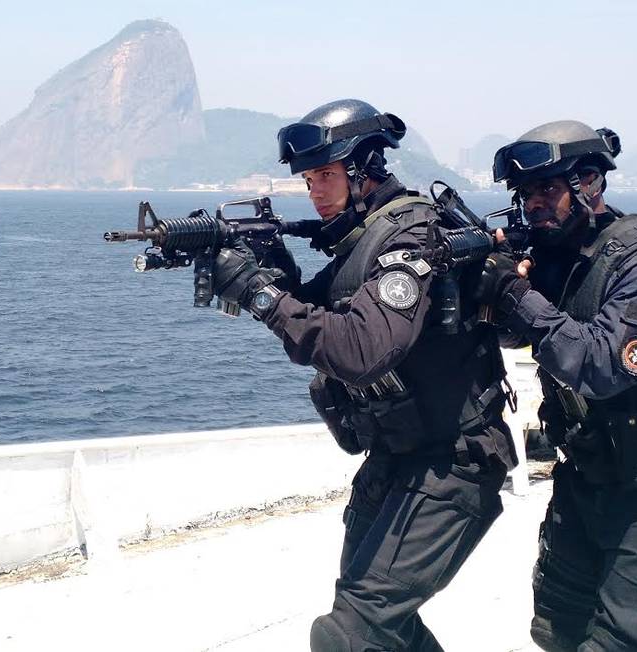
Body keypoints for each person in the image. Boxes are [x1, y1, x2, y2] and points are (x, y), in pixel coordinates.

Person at [209, 98, 519, 651]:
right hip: (397, 457)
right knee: (379, 624)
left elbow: (360, 351)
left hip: (452, 463)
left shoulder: (409, 238)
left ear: (365, 169)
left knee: (351, 634)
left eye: (325, 175)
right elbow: (319, 324)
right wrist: (273, 278)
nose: (315, 192)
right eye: (308, 180)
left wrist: (260, 296)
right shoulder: (361, 242)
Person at [477, 120, 637, 651]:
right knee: (559, 630)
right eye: (525, 193)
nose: (533, 205)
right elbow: (518, 332)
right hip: (591, 477)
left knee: (632, 642)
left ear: (591, 183)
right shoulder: (562, 258)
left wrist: (514, 291)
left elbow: (599, 363)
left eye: (547, 190)